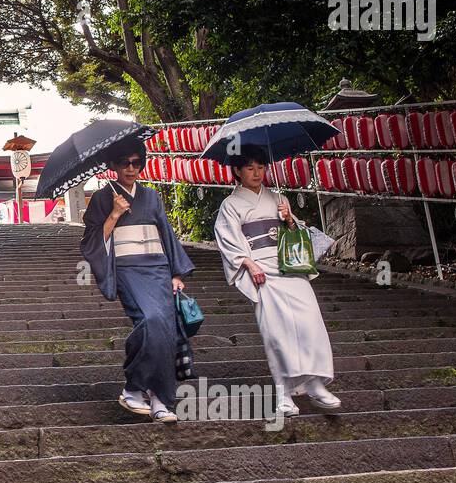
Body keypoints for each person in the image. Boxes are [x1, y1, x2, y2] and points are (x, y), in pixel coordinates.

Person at [213, 145, 339, 416]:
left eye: (261, 167)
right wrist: (248, 263)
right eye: (250, 168)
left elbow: (294, 234)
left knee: (310, 321)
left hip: (288, 266)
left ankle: (315, 383)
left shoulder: (278, 198)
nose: (257, 173)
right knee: (276, 332)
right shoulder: (230, 205)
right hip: (261, 270)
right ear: (237, 171)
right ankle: (284, 392)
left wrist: (289, 219)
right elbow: (228, 240)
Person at [80, 141, 194, 423]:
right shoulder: (101, 199)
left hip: (158, 268)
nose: (131, 168)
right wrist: (115, 214)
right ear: (113, 167)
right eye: (124, 163)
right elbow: (92, 243)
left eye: (136, 162)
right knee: (151, 320)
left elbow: (166, 233)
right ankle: (133, 388)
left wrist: (176, 274)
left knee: (166, 330)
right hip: (128, 270)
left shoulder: (152, 197)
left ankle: (160, 400)